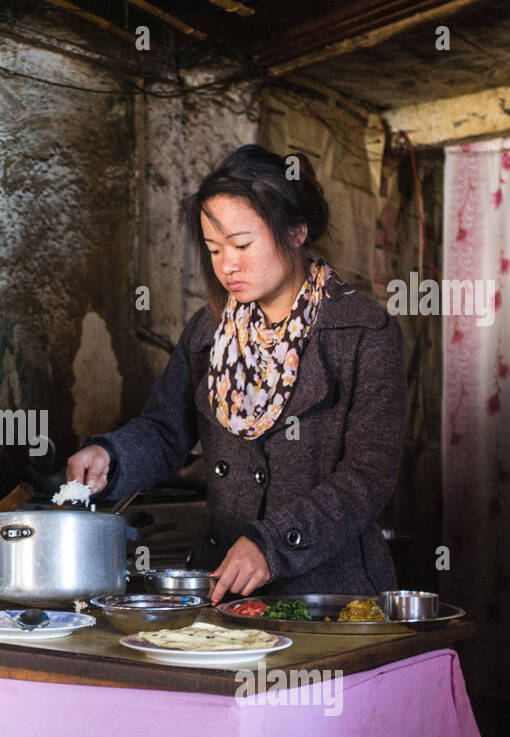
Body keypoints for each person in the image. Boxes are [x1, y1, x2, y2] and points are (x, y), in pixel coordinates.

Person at [67, 144, 406, 605]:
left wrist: (274, 543)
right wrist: (111, 456)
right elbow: (167, 431)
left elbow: (368, 475)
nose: (227, 265)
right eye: (213, 249)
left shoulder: (364, 333)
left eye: (243, 245)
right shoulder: (208, 332)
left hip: (332, 593)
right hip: (222, 583)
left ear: (296, 231)